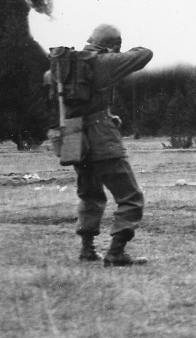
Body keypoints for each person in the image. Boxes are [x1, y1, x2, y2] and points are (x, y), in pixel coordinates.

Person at [46, 24, 153, 266]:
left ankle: (86, 250)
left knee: (90, 194)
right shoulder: (102, 62)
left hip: (74, 137)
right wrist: (115, 54)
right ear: (113, 46)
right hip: (101, 137)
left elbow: (48, 81)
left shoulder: (65, 65)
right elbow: (145, 54)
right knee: (130, 196)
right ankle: (115, 253)